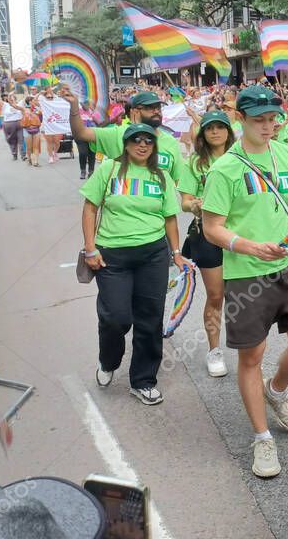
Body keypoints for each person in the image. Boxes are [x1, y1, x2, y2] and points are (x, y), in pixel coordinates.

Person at [200, 85, 288, 479]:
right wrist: (249, 246)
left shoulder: (286, 154)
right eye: (259, 120)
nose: (268, 127)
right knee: (251, 356)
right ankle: (262, 437)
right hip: (246, 273)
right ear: (241, 119)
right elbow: (211, 227)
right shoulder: (224, 169)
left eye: (273, 119)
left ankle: (277, 388)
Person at [81, 123, 185, 406]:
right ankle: (108, 360)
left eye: (148, 141)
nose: (142, 145)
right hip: (112, 255)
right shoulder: (109, 170)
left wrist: (176, 252)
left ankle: (143, 380)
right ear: (126, 144)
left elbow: (170, 218)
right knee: (116, 317)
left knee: (150, 318)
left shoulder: (161, 176)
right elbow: (90, 208)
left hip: (153, 255)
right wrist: (90, 248)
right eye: (136, 140)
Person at [178, 111, 236, 379]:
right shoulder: (195, 163)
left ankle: (249, 351)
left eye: (220, 127)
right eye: (209, 128)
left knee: (244, 294)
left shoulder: (240, 158)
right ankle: (214, 350)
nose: (215, 132)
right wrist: (194, 205)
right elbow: (184, 201)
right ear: (202, 133)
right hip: (207, 234)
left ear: (228, 131)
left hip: (240, 233)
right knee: (216, 295)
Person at [65, 88, 183, 184]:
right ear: (134, 112)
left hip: (159, 205)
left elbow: (180, 181)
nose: (156, 111)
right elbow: (81, 133)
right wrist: (74, 105)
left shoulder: (170, 142)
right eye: (149, 108)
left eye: (158, 107)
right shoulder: (117, 134)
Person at [39, 88, 65, 164]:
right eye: (48, 97)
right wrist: (40, 93)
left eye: (51, 97)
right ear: (45, 98)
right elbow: (34, 101)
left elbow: (61, 100)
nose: (50, 98)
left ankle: (55, 153)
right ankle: (50, 156)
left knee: (57, 142)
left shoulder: (57, 103)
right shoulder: (43, 104)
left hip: (56, 125)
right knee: (49, 142)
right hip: (47, 125)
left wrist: (51, 92)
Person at [76, 99, 99, 179]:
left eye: (88, 104)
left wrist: (94, 116)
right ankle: (83, 171)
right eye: (84, 103)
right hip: (81, 135)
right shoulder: (78, 112)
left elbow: (99, 123)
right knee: (83, 153)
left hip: (92, 135)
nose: (86, 105)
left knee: (92, 153)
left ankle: (91, 171)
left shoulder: (94, 112)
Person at [0, 92, 24, 161]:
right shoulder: (5, 105)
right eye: (10, 99)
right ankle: (14, 154)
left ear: (15, 99)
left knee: (21, 139)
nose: (12, 100)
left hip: (19, 124)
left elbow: (26, 96)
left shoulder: (19, 104)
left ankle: (23, 155)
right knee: (11, 140)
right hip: (8, 125)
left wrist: (25, 88)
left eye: (13, 98)